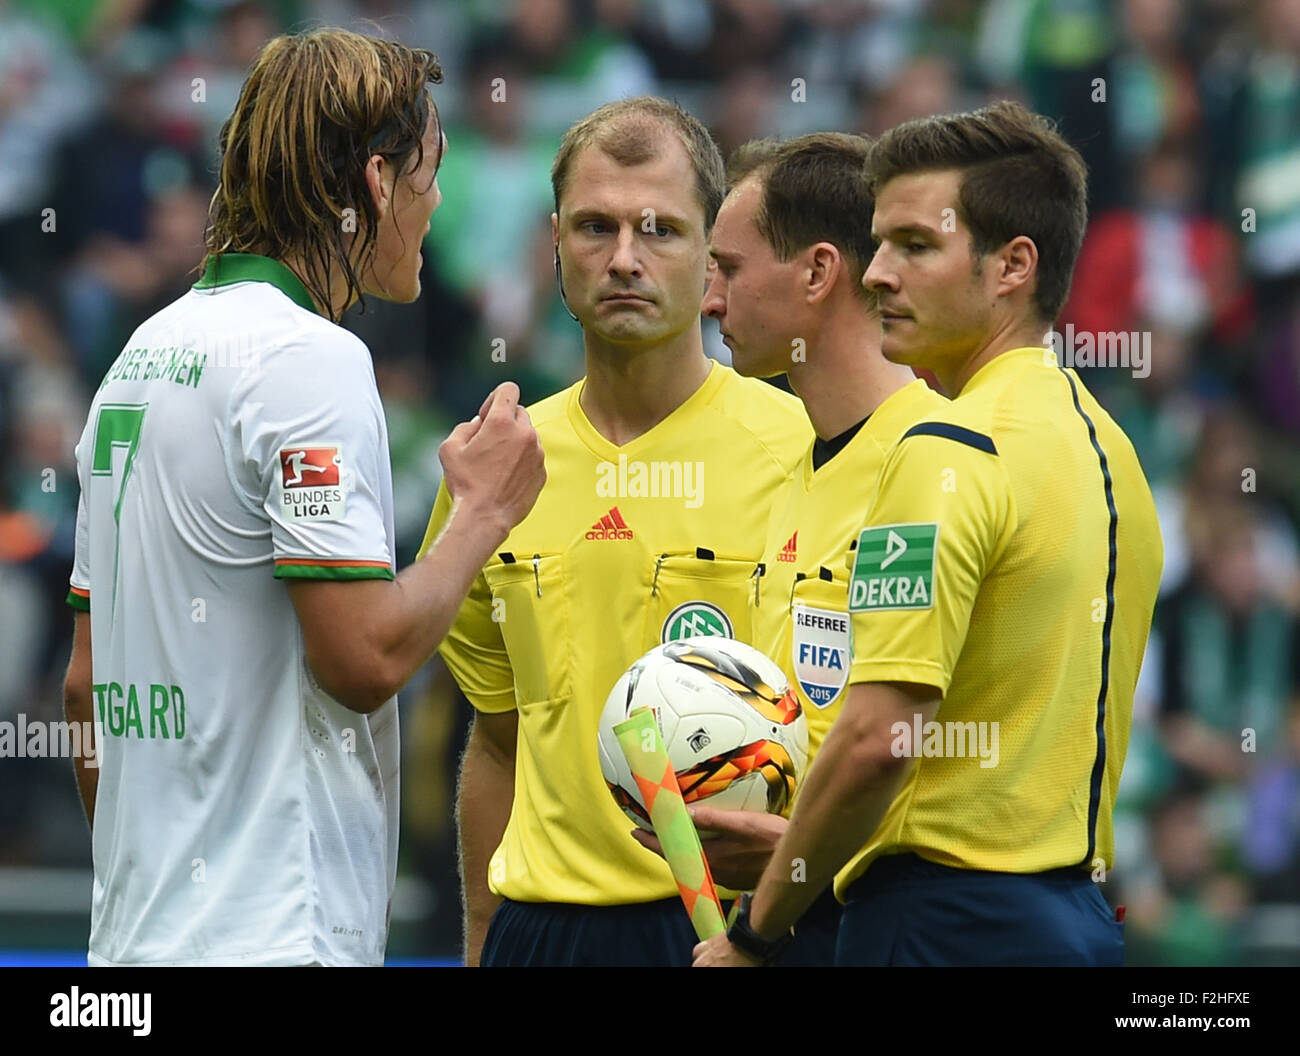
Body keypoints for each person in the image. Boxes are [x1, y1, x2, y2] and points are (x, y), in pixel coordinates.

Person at [62, 28, 545, 967]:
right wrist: (483, 513)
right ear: (374, 181)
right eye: (428, 173)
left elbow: (84, 687)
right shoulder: (310, 360)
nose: (435, 203)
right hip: (276, 940)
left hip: (131, 949)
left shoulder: (137, 357)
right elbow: (362, 657)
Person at [694, 101, 1163, 967]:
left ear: (1013, 266)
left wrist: (757, 930)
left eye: (914, 245)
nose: (877, 276)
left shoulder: (947, 447)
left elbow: (879, 737)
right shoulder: (1114, 453)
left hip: (936, 923)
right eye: (879, 245)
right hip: (1077, 920)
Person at [419, 97, 811, 967]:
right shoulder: (495, 469)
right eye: (596, 227)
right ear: (554, 243)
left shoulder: (805, 451)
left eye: (660, 230)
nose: (624, 258)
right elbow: (495, 740)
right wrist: (481, 942)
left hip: (734, 934)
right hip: (541, 932)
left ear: (714, 256)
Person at [632, 132, 947, 964]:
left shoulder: (927, 465)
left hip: (878, 928)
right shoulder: (803, 463)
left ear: (816, 273)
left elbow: (917, 753)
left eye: (729, 271)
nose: (709, 302)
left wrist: (785, 872)